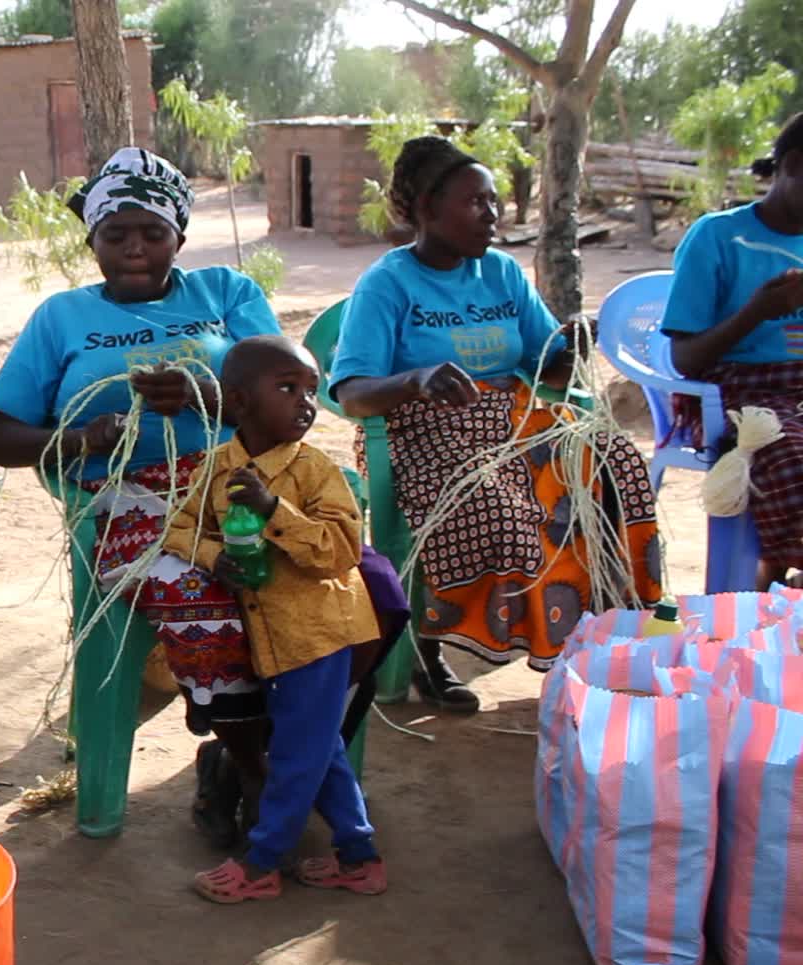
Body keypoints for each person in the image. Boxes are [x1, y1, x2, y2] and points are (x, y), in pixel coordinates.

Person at [0, 147, 281, 792]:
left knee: (332, 575)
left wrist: (206, 396)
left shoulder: (226, 293)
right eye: (116, 234)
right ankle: (263, 773)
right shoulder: (62, 316)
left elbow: (289, 394)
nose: (135, 249)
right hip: (126, 498)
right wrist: (82, 437)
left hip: (236, 480)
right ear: (93, 241)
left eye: (153, 233)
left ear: (179, 235)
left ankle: (288, 746)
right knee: (202, 593)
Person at [331, 136, 661, 702]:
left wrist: (572, 342)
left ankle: (606, 642)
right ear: (429, 210)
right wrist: (415, 379)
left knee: (618, 467)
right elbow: (352, 392)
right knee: (503, 516)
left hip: (517, 422)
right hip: (427, 432)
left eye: (493, 201)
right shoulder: (389, 282)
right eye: (476, 202)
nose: (493, 215)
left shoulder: (502, 273)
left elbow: (547, 369)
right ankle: (428, 650)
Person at [162, 337, 385, 903]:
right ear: (237, 402)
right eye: (287, 388)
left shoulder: (314, 471)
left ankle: (262, 866)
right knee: (320, 749)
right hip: (276, 639)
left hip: (324, 632)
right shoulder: (216, 467)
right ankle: (359, 857)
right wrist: (219, 558)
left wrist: (273, 511)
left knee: (294, 753)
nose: (305, 403)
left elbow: (340, 550)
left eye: (311, 390)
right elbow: (179, 529)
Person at [662, 112, 803, 589]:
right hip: (737, 395)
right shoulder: (718, 237)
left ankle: (776, 585)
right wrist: (756, 311)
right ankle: (769, 588)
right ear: (794, 165)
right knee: (792, 460)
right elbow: (685, 360)